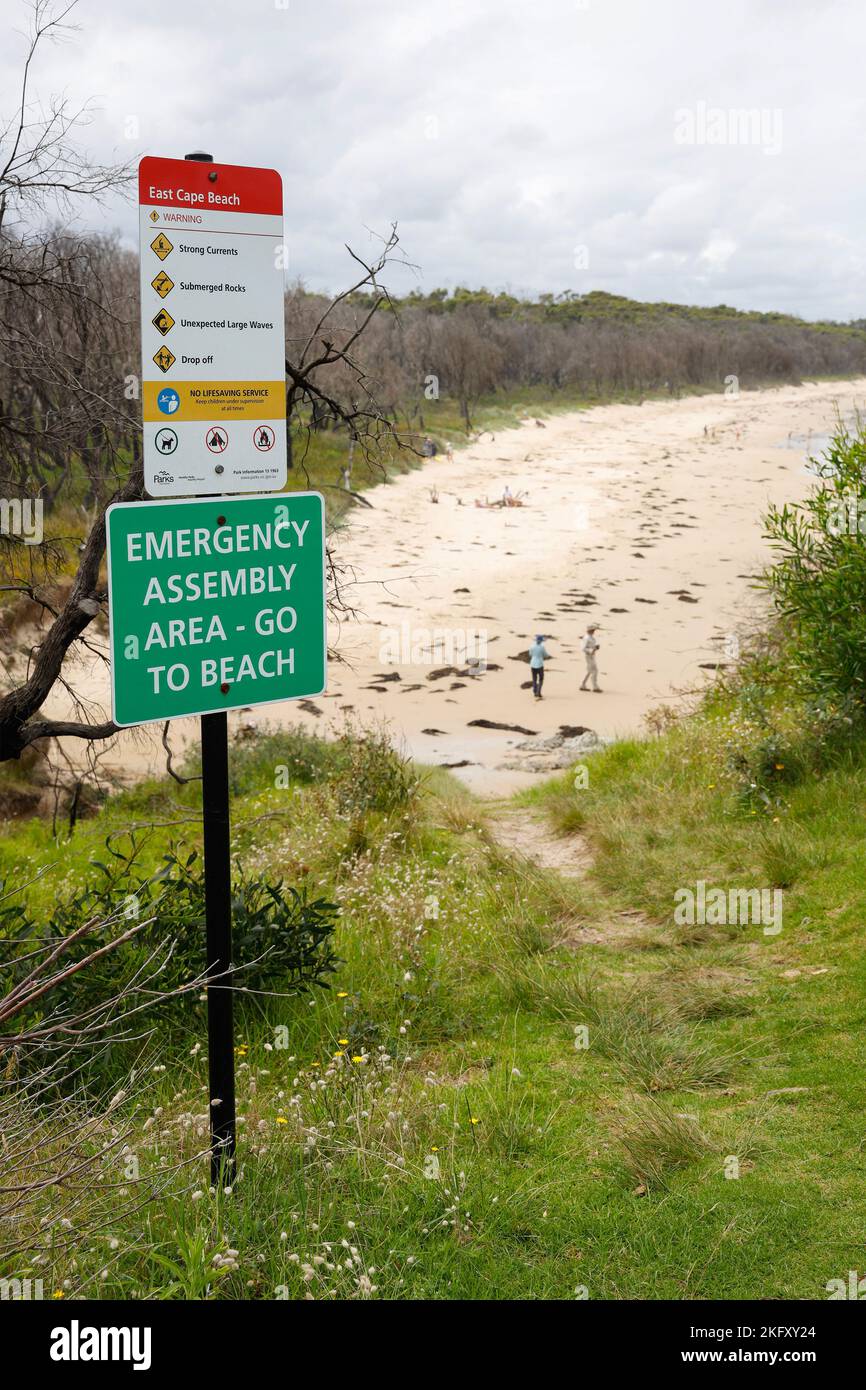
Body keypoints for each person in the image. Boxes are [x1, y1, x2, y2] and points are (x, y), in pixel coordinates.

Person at [580, 623, 601, 692]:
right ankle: (595, 686)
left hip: (592, 655)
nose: (594, 631)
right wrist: (591, 650)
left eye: (594, 630)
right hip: (589, 656)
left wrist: (595, 648)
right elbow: (583, 648)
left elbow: (591, 646)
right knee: (594, 670)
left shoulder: (591, 637)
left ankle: (582, 684)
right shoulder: (586, 638)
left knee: (589, 671)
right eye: (592, 630)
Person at [528, 633, 550, 699]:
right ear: (541, 641)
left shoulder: (532, 646)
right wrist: (546, 656)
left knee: (534, 678)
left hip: (533, 664)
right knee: (541, 679)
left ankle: (535, 691)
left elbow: (530, 654)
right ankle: (538, 692)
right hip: (540, 664)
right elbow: (546, 655)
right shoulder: (542, 647)